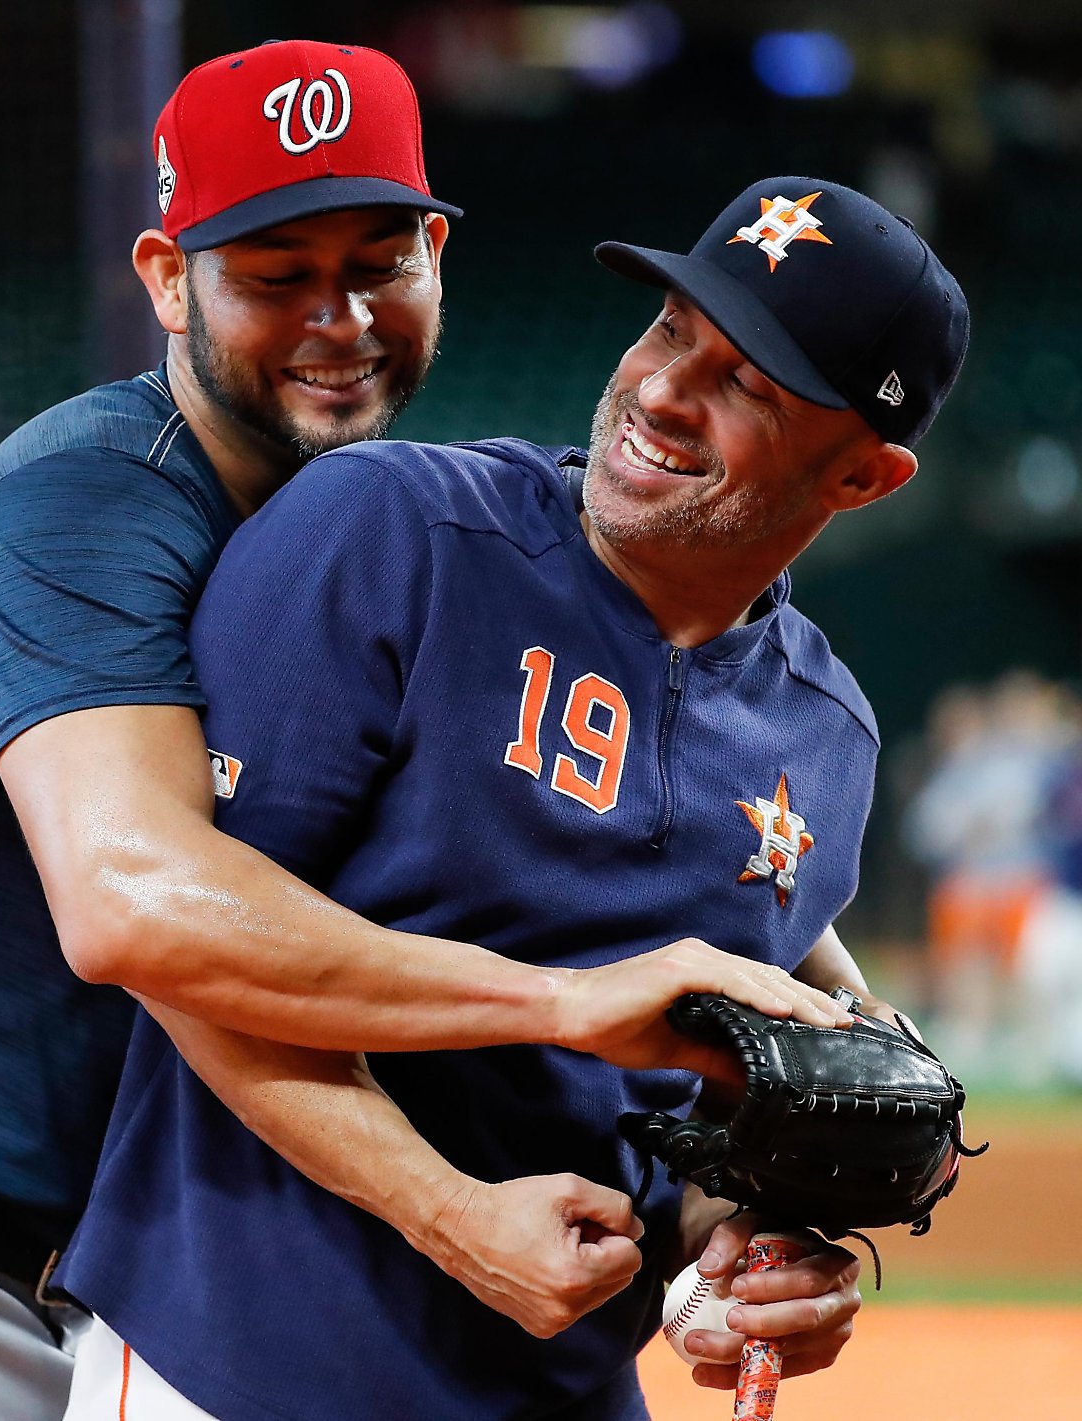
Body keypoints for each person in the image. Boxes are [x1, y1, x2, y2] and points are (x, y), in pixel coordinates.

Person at [0, 43, 851, 1421]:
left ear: (439, 253)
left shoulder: (413, 550)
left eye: (378, 262)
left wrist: (795, 1097)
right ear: (165, 279)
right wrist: (559, 1008)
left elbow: (728, 902)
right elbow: (134, 907)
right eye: (274, 275)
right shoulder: (86, 505)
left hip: (110, 1283)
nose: (338, 316)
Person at [54, 176, 970, 1421]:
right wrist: (447, 1213)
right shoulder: (392, 533)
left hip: (560, 1385)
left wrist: (743, 1248)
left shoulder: (826, 736)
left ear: (861, 476)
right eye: (666, 330)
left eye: (745, 382)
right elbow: (187, 954)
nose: (657, 391)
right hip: (248, 1358)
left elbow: (678, 1114)